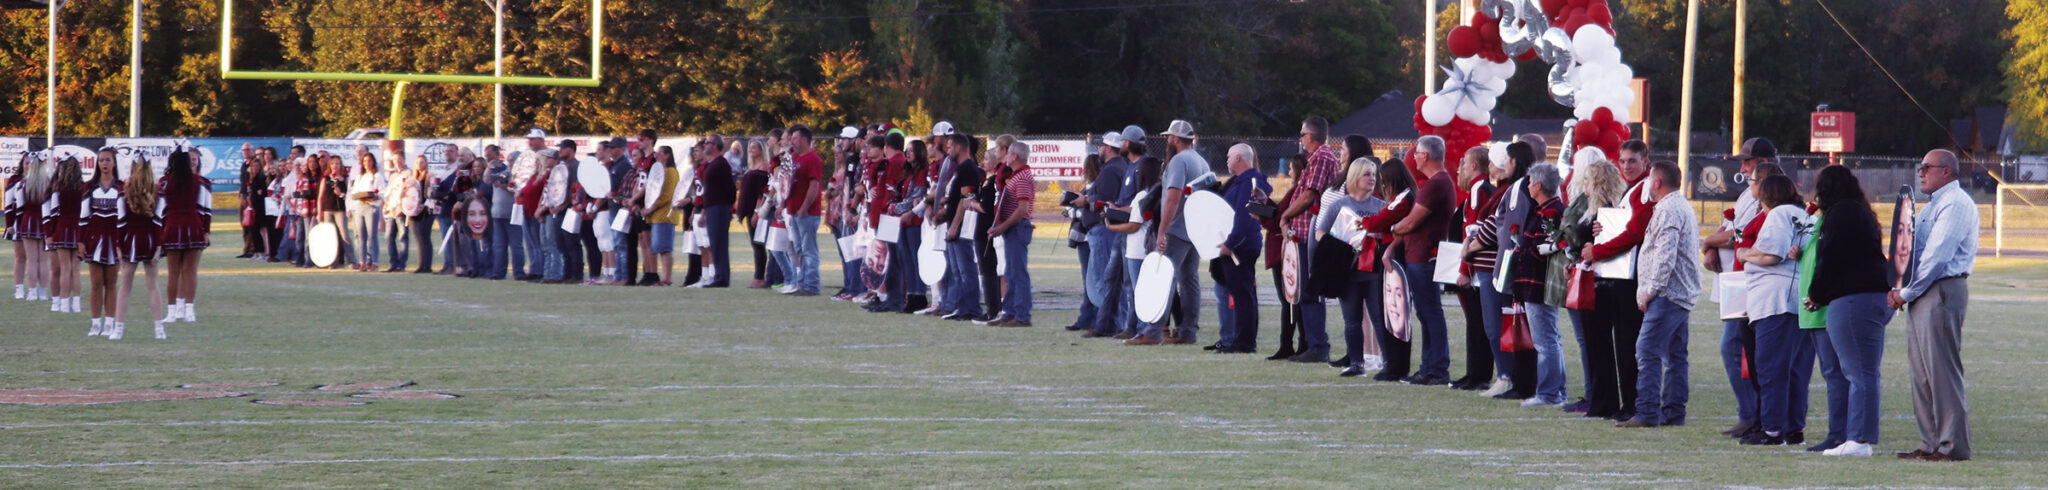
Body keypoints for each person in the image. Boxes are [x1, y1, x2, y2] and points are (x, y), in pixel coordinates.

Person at [1889, 149, 1976, 462]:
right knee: (1923, 372)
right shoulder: (1932, 205)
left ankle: (1952, 446)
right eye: (1920, 167)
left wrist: (1906, 292)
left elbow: (1937, 257)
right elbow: (1910, 251)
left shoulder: (1955, 203)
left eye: (1927, 167)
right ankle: (1931, 443)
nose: (1921, 172)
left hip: (1941, 289)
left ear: (1946, 172)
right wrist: (1898, 284)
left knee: (1941, 371)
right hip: (1922, 290)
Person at [1804, 165, 1896, 457]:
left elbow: (1830, 258)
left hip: (1856, 299)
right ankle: (1856, 437)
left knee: (1860, 373)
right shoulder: (1860, 212)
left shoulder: (1840, 213)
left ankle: (1859, 439)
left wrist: (1817, 295)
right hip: (1872, 296)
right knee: (1863, 372)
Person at [1619, 161, 1703, 429]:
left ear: (1657, 182)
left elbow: (1665, 254)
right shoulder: (1679, 205)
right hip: (1679, 291)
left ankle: (1646, 412)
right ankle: (1674, 412)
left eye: (1650, 180)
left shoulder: (1668, 209)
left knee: (1647, 350)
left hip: (1668, 293)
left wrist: (1650, 289)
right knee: (1676, 355)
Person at [1701, 137, 1773, 438]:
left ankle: (1754, 414)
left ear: (1764, 162)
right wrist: (1712, 245)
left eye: (1747, 161)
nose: (1742, 168)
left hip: (1753, 280)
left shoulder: (1770, 193)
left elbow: (1742, 236)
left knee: (1736, 347)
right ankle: (1753, 414)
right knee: (1738, 347)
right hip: (1736, 279)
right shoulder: (1747, 193)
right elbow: (1728, 227)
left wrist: (1708, 242)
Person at [1545, 156, 1625, 413]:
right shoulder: (1594, 208)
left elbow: (1604, 245)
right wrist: (1576, 262)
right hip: (1591, 276)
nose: (1585, 184)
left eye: (1589, 179)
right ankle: (1598, 398)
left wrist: (1585, 254)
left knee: (1598, 342)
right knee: (1593, 342)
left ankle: (1603, 400)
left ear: (1599, 182)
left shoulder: (1609, 211)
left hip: (1603, 282)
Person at [1733, 173, 1809, 441]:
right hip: (1797, 297)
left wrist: (1744, 254)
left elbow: (1773, 254)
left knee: (1770, 368)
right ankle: (1793, 427)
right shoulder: (1804, 215)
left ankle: (1772, 429)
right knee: (1795, 370)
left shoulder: (1778, 214)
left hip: (1774, 300)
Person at [1579, 144, 1651, 421]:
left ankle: (1633, 404)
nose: (1626, 166)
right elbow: (1625, 228)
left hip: (1631, 276)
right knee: (1619, 343)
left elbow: (1634, 233)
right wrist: (1603, 230)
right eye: (1622, 161)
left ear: (1646, 160)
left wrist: (1598, 250)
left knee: (1629, 344)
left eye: (1632, 160)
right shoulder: (1631, 191)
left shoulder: (1643, 190)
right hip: (1618, 273)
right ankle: (1621, 403)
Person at [1388, 135, 1458, 386]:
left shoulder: (1435, 184)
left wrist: (1391, 227)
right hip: (1421, 255)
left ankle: (1437, 368)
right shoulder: (1438, 182)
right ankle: (1429, 367)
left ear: (1425, 156)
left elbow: (1412, 221)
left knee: (1430, 313)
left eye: (1417, 153)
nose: (1414, 157)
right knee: (1426, 313)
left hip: (1424, 256)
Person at [1278, 116, 1342, 360]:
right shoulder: (1317, 157)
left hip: (1310, 235)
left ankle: (1318, 346)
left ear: (1311, 136)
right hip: (1305, 234)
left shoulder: (1321, 157)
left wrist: (1286, 215)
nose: (1301, 138)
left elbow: (1309, 195)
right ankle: (1311, 344)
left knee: (1310, 292)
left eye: (1302, 134)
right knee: (1306, 292)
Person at [1314, 156, 1384, 371]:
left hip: (1373, 272)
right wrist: (1340, 246)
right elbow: (1320, 232)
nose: (1372, 178)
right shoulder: (1340, 205)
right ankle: (1356, 363)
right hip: (1348, 272)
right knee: (1352, 320)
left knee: (1379, 319)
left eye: (1374, 174)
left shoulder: (1381, 206)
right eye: (1367, 174)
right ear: (1355, 177)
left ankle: (1389, 363)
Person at [1143, 120, 1210, 342]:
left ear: (1175, 139)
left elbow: (1173, 197)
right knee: (1190, 281)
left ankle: (1153, 332)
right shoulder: (1201, 161)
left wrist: (1162, 231)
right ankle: (1188, 331)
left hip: (1177, 228)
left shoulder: (1179, 160)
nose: (1167, 141)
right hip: (1194, 230)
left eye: (1168, 137)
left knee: (1164, 278)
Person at [1513, 161, 1568, 406]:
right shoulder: (1543, 209)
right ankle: (1557, 390)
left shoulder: (1550, 212)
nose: (1527, 186)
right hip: (1534, 282)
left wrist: (1521, 252)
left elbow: (1542, 248)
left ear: (1538, 185)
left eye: (1530, 182)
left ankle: (1549, 393)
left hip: (1539, 283)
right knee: (1550, 339)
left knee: (1545, 341)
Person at [1451, 146, 1500, 391]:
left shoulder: (1478, 189)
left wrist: (1465, 268)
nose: (1460, 169)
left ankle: (1477, 374)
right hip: (1480, 264)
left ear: (1472, 166)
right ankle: (1476, 372)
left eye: (1463, 164)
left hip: (1477, 265)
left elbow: (1472, 232)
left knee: (1477, 322)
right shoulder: (1483, 189)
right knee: (1479, 322)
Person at [1079, 132, 1130, 337]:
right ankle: (1114, 322)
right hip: (1109, 229)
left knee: (1103, 280)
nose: (1099, 149)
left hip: (1103, 229)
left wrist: (1084, 201)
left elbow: (1103, 202)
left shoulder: (1110, 170)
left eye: (1101, 146)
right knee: (1110, 280)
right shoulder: (1121, 167)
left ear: (1109, 148)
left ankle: (1111, 322)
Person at [984, 140, 1037, 327]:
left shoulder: (1021, 177)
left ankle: (1021, 315)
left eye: (1008, 154)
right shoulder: (1017, 175)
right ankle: (1009, 312)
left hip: (1017, 228)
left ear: (1014, 156)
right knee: (1011, 272)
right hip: (1013, 228)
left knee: (1018, 272)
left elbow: (1022, 209)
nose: (1006, 157)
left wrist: (1003, 226)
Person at [114, 158, 166, 340]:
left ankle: (118, 329)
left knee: (125, 286)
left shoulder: (124, 191)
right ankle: (159, 329)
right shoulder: (158, 191)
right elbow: (158, 222)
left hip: (131, 241)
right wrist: (158, 246)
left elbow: (121, 222)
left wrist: (118, 246)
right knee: (153, 285)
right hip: (150, 240)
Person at [159, 148, 211, 323]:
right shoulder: (200, 181)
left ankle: (172, 312)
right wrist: (205, 231)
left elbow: (160, 209)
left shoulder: (164, 182)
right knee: (190, 271)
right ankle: (189, 311)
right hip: (193, 226)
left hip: (172, 227)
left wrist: (161, 230)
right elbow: (205, 209)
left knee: (173, 273)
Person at [937, 134, 987, 319]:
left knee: (966, 270)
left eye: (950, 146)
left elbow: (966, 199)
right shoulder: (960, 168)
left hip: (963, 226)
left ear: (959, 148)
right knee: (957, 271)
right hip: (954, 223)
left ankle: (971, 308)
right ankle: (960, 306)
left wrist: (955, 226)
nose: (947, 150)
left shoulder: (968, 168)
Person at [81, 151, 124, 336]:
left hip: (115, 238)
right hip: (94, 238)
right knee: (96, 283)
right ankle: (95, 324)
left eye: (108, 160)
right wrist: (81, 241)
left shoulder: (121, 187)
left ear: (114, 163)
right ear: (97, 164)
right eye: (101, 160)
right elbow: (83, 215)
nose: (104, 163)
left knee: (111, 283)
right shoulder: (89, 187)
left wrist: (122, 241)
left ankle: (109, 324)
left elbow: (124, 216)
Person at [783, 125, 826, 296]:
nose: (791, 141)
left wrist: (804, 207)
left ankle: (812, 285)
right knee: (799, 249)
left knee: (809, 250)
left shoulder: (812, 159)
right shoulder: (795, 157)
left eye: (794, 138)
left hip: (807, 213)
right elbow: (786, 183)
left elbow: (814, 186)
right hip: (794, 210)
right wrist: (784, 205)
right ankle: (802, 283)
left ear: (804, 139)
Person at [43, 155, 86, 314]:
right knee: (75, 270)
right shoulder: (84, 188)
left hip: (62, 229)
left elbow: (54, 212)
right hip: (78, 230)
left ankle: (64, 304)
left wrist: (51, 232)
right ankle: (76, 304)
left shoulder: (58, 189)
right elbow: (86, 212)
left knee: (65, 269)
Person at [10, 151, 51, 303]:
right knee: (43, 261)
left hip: (27, 222)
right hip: (45, 222)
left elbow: (19, 208)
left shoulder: (22, 184)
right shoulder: (49, 183)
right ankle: (43, 293)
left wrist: (20, 223)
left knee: (32, 260)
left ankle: (32, 292)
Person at [738, 140, 773, 288]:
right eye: (750, 147)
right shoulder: (751, 167)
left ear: (761, 150)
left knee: (759, 244)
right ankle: (760, 275)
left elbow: (761, 192)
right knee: (755, 244)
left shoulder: (763, 167)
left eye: (754, 147)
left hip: (756, 211)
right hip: (748, 210)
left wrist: (757, 212)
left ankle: (760, 277)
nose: (751, 149)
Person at [348, 152, 386, 272]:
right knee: (361, 236)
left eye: (369, 161)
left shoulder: (377, 176)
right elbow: (354, 192)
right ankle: (362, 262)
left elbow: (382, 193)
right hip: (359, 207)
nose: (367, 163)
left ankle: (374, 262)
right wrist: (359, 197)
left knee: (372, 236)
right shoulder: (360, 177)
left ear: (373, 162)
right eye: (364, 161)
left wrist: (373, 197)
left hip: (371, 207)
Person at [384, 149, 419, 273]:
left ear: (404, 159)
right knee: (389, 237)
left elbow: (409, 192)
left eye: (399, 159)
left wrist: (402, 207)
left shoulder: (409, 173)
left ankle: (401, 264)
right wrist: (387, 205)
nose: (397, 161)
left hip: (401, 210)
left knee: (403, 237)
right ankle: (393, 263)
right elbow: (389, 192)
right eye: (394, 159)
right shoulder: (393, 175)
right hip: (391, 209)